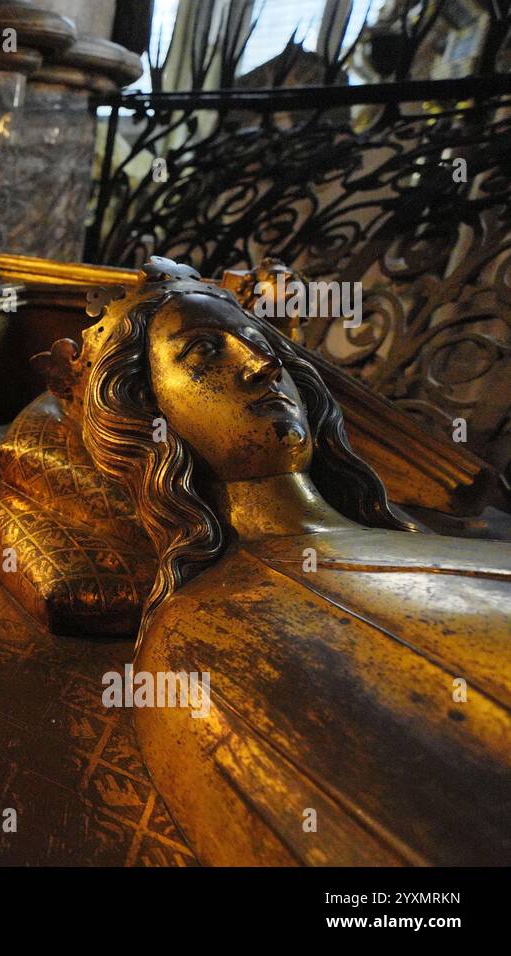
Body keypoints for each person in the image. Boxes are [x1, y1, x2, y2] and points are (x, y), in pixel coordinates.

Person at [71, 256, 511, 865]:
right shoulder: (207, 636)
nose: (263, 365)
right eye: (202, 355)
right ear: (148, 412)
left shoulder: (441, 527)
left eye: (258, 343)